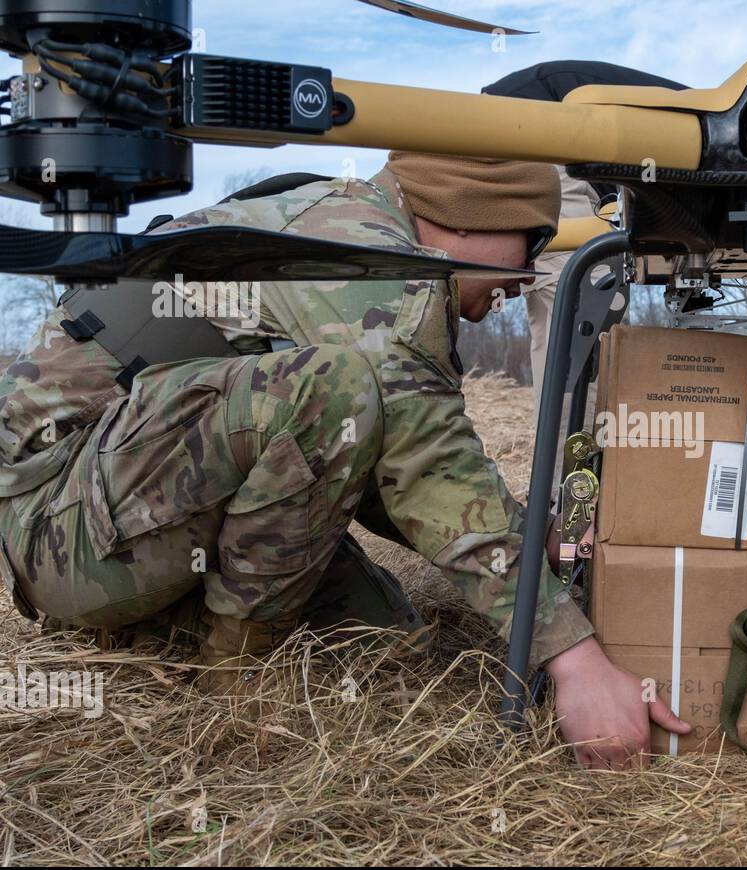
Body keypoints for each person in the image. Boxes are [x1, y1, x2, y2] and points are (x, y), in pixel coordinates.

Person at [0, 152, 689, 769]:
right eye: (530, 243)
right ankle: (235, 683)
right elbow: (430, 472)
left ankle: (156, 623)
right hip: (58, 530)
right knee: (330, 390)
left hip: (126, 514)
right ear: (473, 216)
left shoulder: (366, 239)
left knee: (381, 644)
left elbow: (394, 466)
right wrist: (573, 657)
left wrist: (538, 545)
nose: (524, 276)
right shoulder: (372, 264)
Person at [483, 61, 686, 409]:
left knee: (581, 311)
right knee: (585, 303)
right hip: (536, 125)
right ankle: (575, 458)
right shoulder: (733, 134)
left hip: (536, 130)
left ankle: (589, 449)